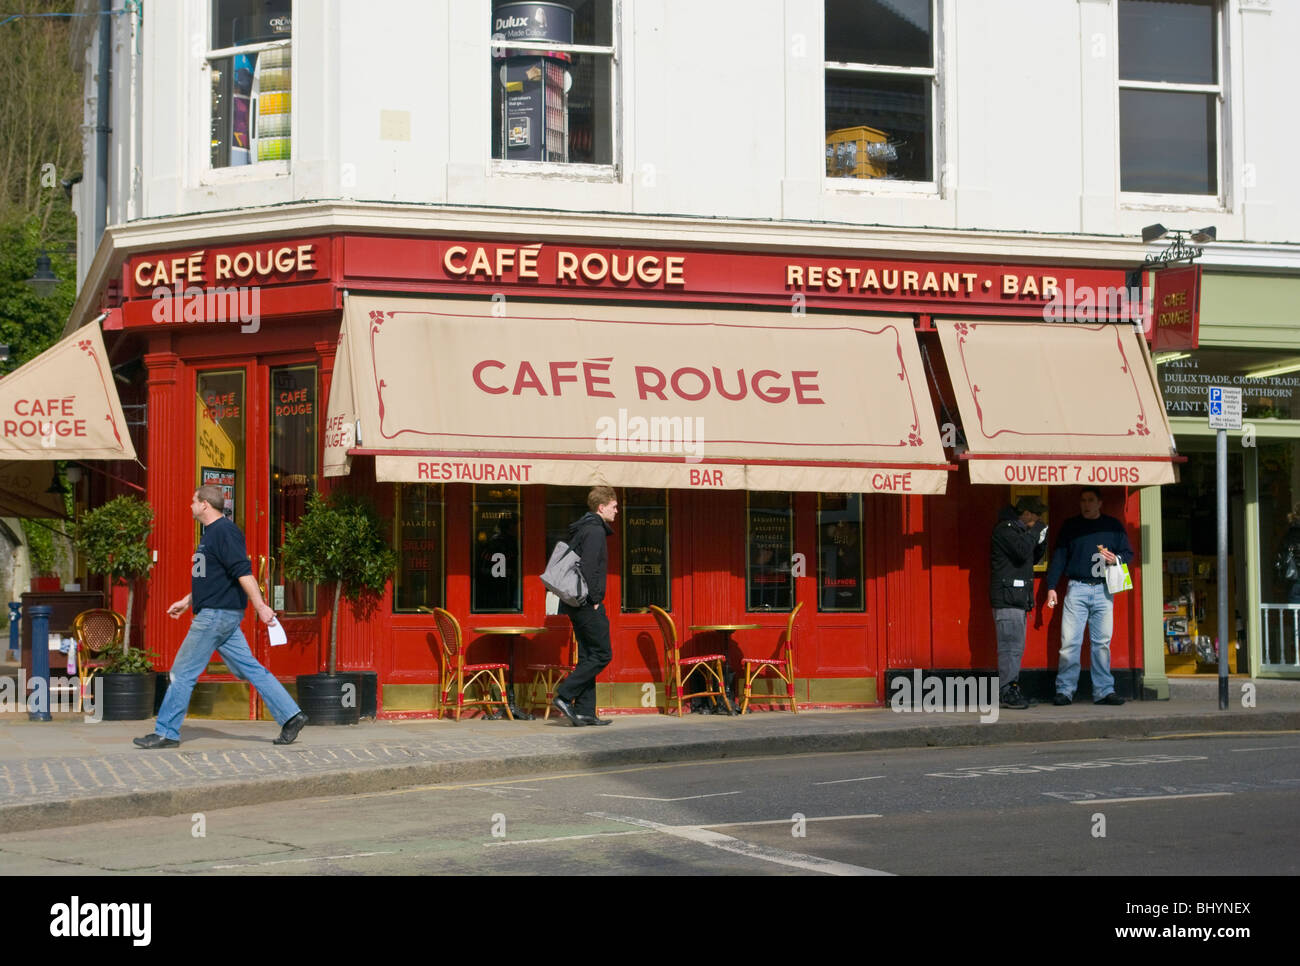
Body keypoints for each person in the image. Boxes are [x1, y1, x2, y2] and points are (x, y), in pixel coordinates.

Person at [134, 486, 308, 748]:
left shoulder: (224, 531)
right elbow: (213, 578)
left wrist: (260, 606)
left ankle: (166, 732)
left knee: (181, 673)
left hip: (214, 616)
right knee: (246, 668)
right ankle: (292, 716)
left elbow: (243, 571)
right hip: (219, 614)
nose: (190, 505)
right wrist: (187, 600)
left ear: (205, 504)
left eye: (193, 501)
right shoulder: (211, 534)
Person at [1044, 486, 1134, 706]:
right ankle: (1065, 690)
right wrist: (1051, 586)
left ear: (1100, 503)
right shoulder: (1071, 526)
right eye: (1083, 500)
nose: (1086, 504)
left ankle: (1104, 691)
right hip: (1077, 587)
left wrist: (1117, 559)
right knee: (1070, 643)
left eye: (1090, 500)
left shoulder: (1113, 526)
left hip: (1104, 589)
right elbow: (1059, 557)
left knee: (1102, 643)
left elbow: (1129, 553)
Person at [552, 486, 618, 727]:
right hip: (586, 603)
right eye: (614, 506)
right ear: (601, 507)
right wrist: (595, 598)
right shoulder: (595, 531)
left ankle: (585, 711)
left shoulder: (584, 527)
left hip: (574, 602)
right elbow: (590, 567)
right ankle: (564, 696)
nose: (617, 511)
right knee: (602, 654)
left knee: (589, 655)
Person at [990, 495, 1048, 709]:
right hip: (1007, 600)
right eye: (1037, 515)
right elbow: (1022, 551)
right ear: (1026, 514)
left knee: (1016, 648)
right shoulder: (1005, 530)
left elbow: (1032, 557)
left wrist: (1040, 539)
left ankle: (1011, 687)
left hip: (1017, 599)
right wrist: (1035, 532)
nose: (1040, 519)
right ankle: (1007, 691)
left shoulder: (1020, 532)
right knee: (1009, 648)